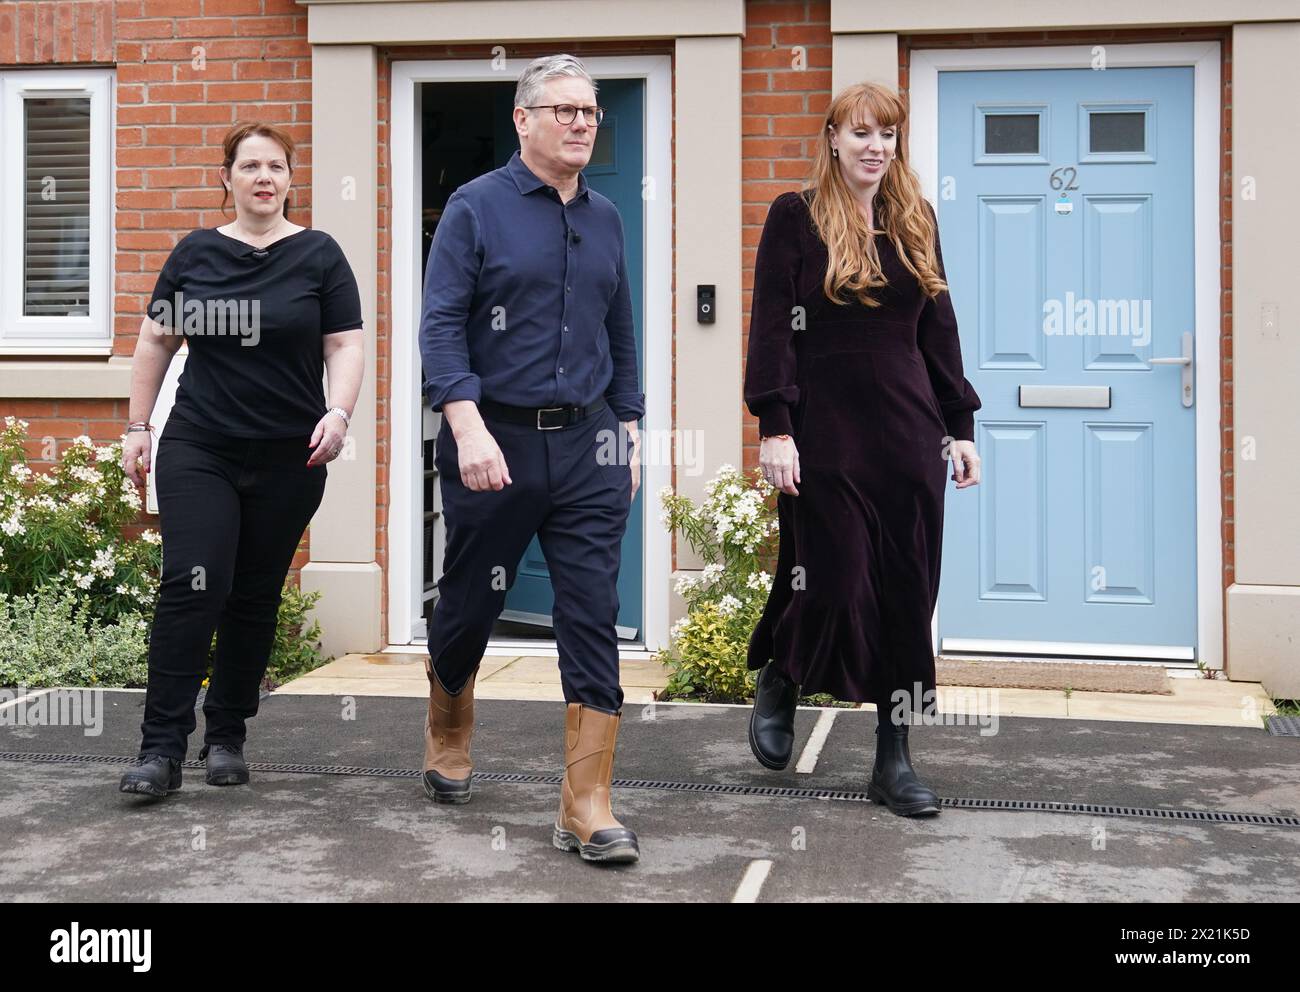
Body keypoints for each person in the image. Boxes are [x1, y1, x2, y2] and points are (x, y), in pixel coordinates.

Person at [418, 55, 644, 863]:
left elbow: (620, 329)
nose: (583, 122)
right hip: (495, 440)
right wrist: (467, 425)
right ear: (524, 120)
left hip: (587, 444)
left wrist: (631, 426)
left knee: (591, 613)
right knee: (471, 606)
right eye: (565, 110)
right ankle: (448, 727)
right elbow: (441, 325)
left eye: (591, 112)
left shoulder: (609, 218)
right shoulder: (476, 209)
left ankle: (586, 802)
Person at [743, 82, 982, 817]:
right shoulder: (797, 216)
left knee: (909, 595)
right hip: (828, 433)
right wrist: (776, 426)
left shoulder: (915, 219)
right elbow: (772, 330)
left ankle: (894, 756)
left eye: (888, 135)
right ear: (834, 138)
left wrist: (960, 426)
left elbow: (937, 332)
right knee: (836, 579)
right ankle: (783, 671)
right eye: (862, 133)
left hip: (909, 435)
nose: (876, 147)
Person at [118, 122, 364, 799]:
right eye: (250, 165)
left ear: (290, 179)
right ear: (225, 178)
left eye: (277, 166)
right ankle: (160, 750)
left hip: (291, 454)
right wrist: (138, 427)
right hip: (202, 444)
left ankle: (226, 734)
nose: (264, 177)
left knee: (254, 597)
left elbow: (344, 345)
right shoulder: (195, 252)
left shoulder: (319, 255)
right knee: (193, 586)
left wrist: (337, 413)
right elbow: (155, 343)